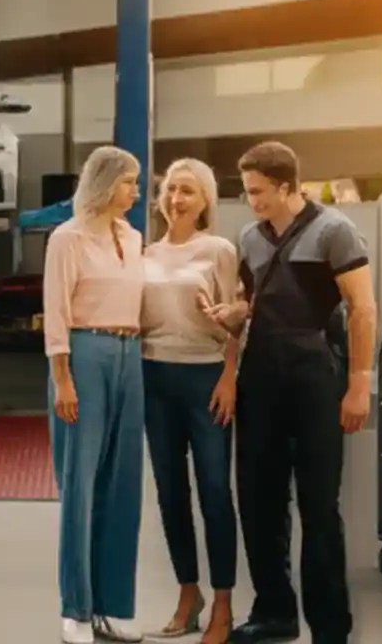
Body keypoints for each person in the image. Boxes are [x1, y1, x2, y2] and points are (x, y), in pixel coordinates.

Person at [203, 141, 376, 644]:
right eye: (247, 190)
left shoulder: (334, 231)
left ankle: (330, 627)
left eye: (258, 191)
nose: (251, 200)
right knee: (258, 499)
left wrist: (359, 384)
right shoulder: (250, 237)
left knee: (318, 507)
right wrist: (233, 316)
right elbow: (252, 303)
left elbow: (363, 308)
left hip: (316, 378)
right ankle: (274, 612)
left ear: (286, 187)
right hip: (261, 378)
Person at [43, 145, 147, 644]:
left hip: (131, 354)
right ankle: (77, 609)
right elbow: (57, 311)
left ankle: (113, 606)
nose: (136, 192)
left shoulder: (134, 237)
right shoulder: (68, 238)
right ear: (105, 183)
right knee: (80, 484)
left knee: (123, 484)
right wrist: (62, 378)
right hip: (84, 354)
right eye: (129, 182)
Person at [139, 159, 240, 644]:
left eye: (188, 192)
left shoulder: (218, 250)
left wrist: (229, 376)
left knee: (215, 491)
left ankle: (223, 603)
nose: (177, 199)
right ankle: (188, 592)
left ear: (205, 202)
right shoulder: (145, 254)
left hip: (206, 378)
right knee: (170, 491)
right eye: (171, 189)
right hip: (154, 376)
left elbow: (237, 320)